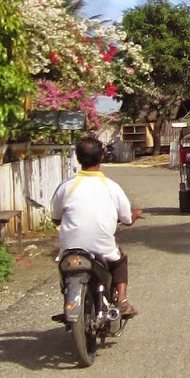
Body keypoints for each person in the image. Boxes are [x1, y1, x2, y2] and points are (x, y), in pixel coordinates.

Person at [51, 136, 144, 317]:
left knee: (63, 268)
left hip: (71, 249)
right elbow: (126, 219)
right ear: (102, 157)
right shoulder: (111, 187)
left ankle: (68, 299)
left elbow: (56, 218)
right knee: (120, 261)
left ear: (78, 158)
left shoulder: (66, 187)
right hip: (102, 247)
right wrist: (136, 214)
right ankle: (122, 300)